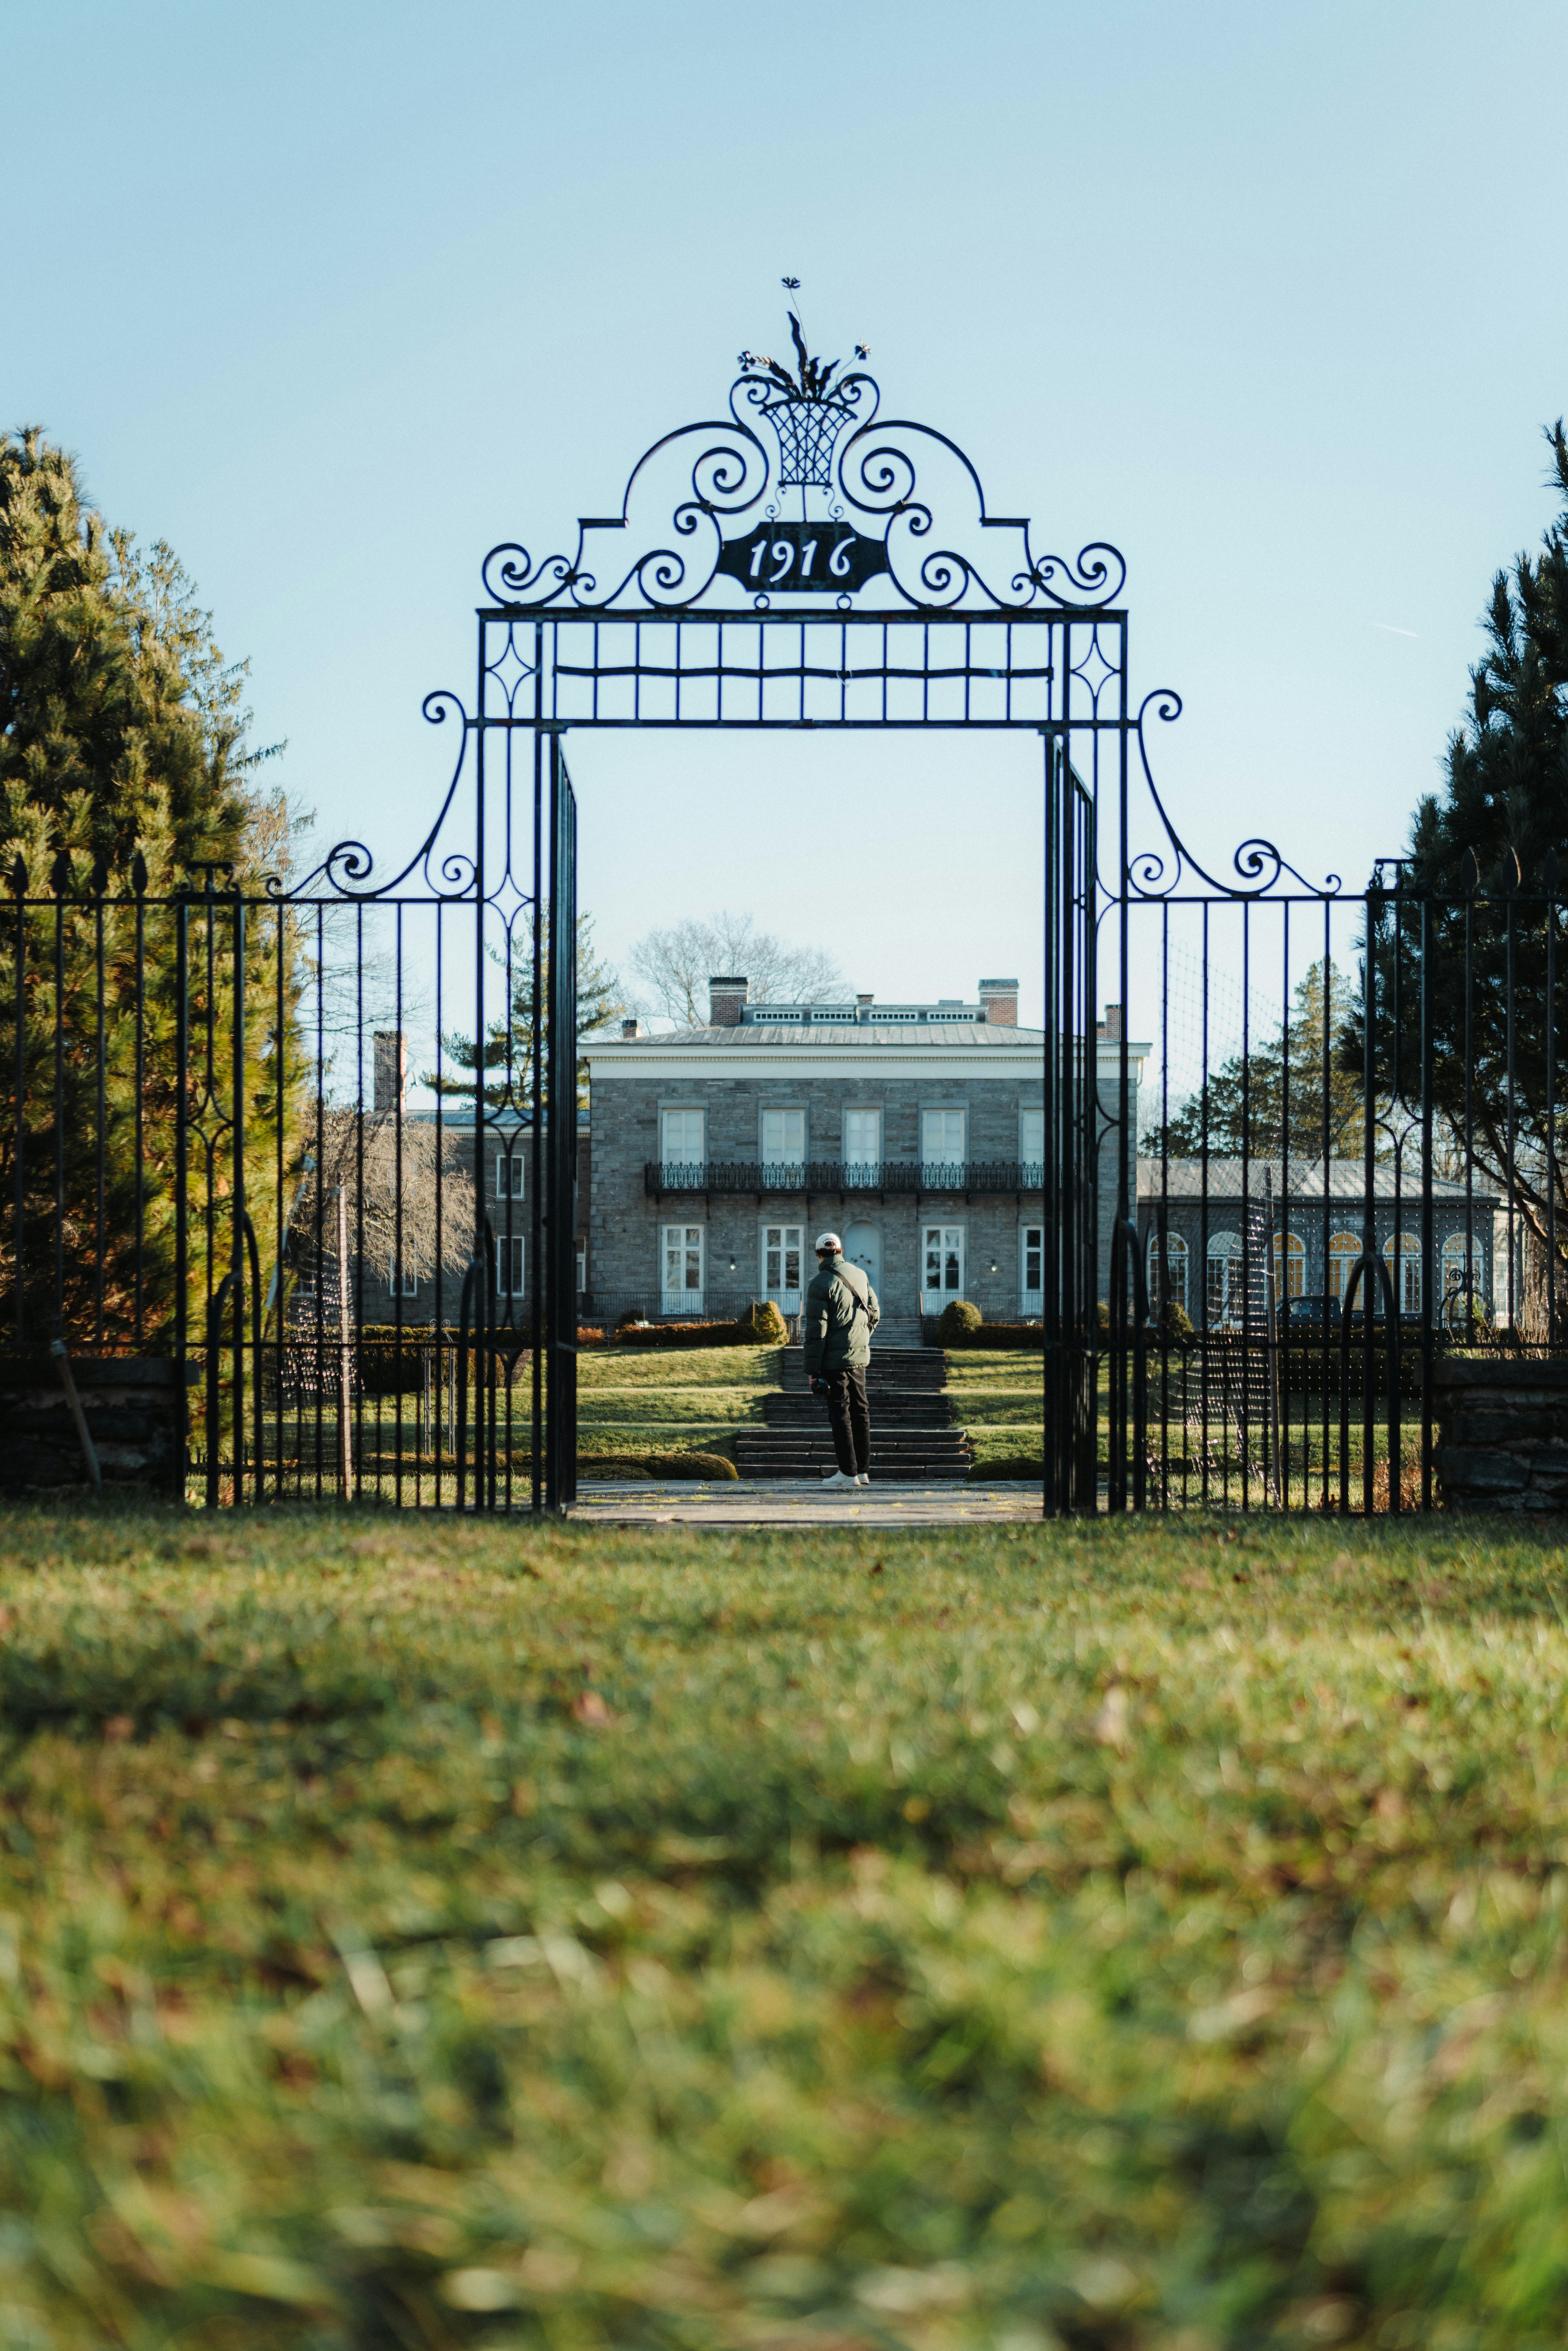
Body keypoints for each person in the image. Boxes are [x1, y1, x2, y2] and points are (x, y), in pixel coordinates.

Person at [801, 1230, 880, 1489]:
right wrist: (860, 1338)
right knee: (860, 1411)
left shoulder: (820, 1283)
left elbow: (816, 1331)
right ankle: (863, 1471)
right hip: (859, 1357)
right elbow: (875, 1313)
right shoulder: (860, 1275)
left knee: (840, 1414)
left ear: (818, 1255)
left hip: (834, 1361)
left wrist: (812, 1370)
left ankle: (848, 1473)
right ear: (841, 1251)